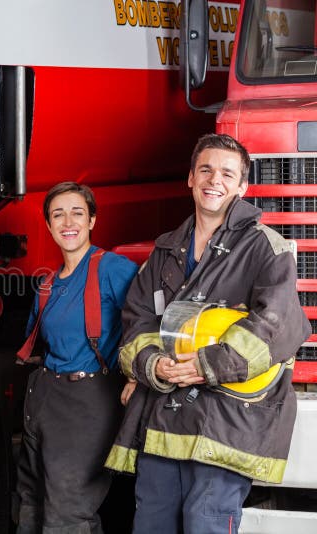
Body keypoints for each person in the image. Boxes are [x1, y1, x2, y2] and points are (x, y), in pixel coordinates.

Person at [104, 133, 310, 533]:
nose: (215, 180)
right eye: (206, 170)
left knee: (206, 522)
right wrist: (153, 364)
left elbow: (275, 326)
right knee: (151, 524)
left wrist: (205, 365)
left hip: (226, 421)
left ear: (242, 186)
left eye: (227, 174)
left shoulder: (265, 248)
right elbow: (136, 320)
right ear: (191, 178)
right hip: (164, 418)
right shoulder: (165, 251)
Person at [14, 182, 137, 534]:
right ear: (49, 225)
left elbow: (146, 321)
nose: (68, 222)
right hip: (43, 398)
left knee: (67, 512)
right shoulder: (48, 284)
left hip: (88, 401)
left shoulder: (112, 268)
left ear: (92, 220)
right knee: (30, 504)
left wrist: (135, 375)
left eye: (77, 213)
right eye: (58, 215)